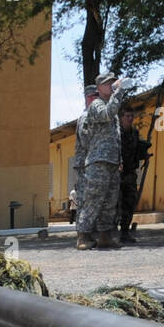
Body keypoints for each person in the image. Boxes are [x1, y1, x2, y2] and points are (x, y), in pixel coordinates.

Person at [75, 73, 129, 251]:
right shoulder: (97, 106)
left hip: (111, 161)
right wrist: (119, 92)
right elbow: (107, 114)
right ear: (99, 88)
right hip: (98, 160)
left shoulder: (112, 109)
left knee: (110, 201)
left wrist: (119, 159)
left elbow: (116, 137)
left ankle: (105, 236)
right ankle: (83, 236)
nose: (112, 86)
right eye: (108, 84)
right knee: (93, 199)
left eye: (113, 83)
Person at [118, 106, 151, 244]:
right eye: (127, 116)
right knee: (113, 204)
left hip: (130, 174)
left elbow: (137, 148)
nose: (130, 119)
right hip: (116, 174)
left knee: (130, 201)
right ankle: (106, 233)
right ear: (121, 118)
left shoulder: (134, 133)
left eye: (132, 116)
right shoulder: (115, 133)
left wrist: (144, 153)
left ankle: (124, 232)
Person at [72, 83, 97, 245]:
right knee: (84, 200)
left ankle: (87, 235)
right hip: (85, 167)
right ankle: (82, 237)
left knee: (90, 200)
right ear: (89, 98)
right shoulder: (86, 117)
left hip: (89, 165)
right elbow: (87, 140)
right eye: (96, 97)